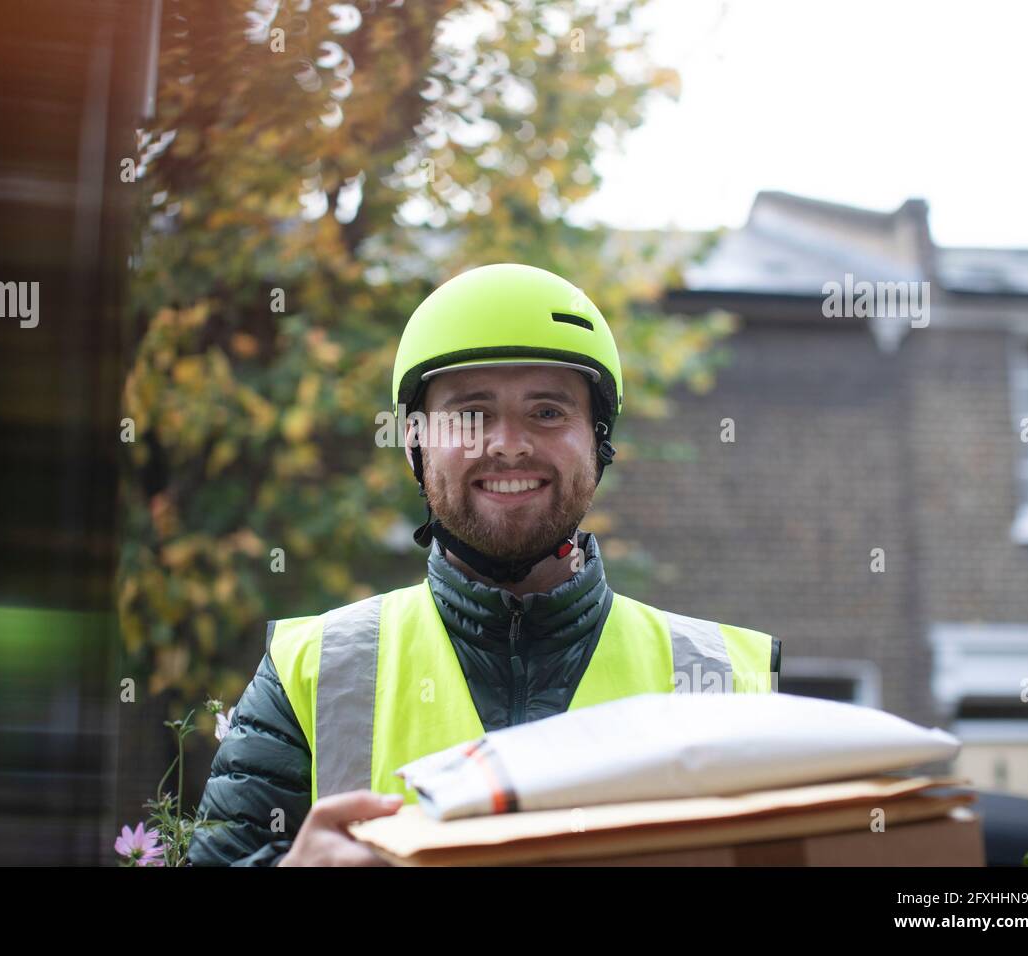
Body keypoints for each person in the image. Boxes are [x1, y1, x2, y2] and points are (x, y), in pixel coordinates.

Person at [188, 263, 782, 866]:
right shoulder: (311, 672)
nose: (507, 444)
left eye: (547, 412)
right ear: (416, 446)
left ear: (598, 442)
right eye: (471, 414)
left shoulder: (728, 680)